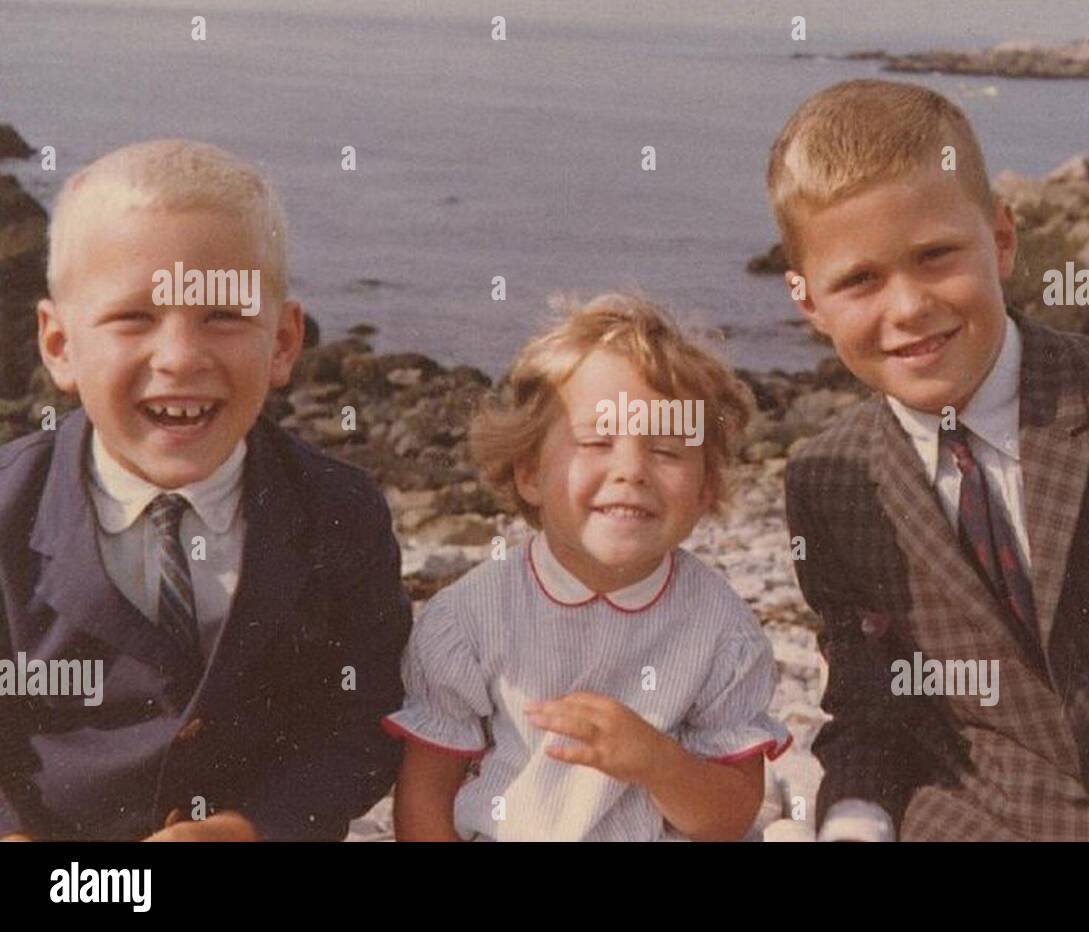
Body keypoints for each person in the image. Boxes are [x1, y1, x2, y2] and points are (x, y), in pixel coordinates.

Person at [768, 79, 1089, 841]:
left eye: (935, 256)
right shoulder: (829, 482)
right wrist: (854, 821)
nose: (909, 306)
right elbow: (871, 710)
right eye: (860, 280)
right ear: (809, 301)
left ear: (1003, 239)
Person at [0, 139, 410, 840]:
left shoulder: (340, 511)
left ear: (284, 342)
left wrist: (251, 826)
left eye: (222, 315)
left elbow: (364, 720)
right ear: (59, 343)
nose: (181, 356)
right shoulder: (8, 509)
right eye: (134, 316)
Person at [384, 292, 791, 840]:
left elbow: (729, 816)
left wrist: (656, 761)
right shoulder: (470, 619)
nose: (631, 470)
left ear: (705, 488)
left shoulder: (721, 630)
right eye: (596, 441)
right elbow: (426, 793)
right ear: (529, 472)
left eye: (667, 450)